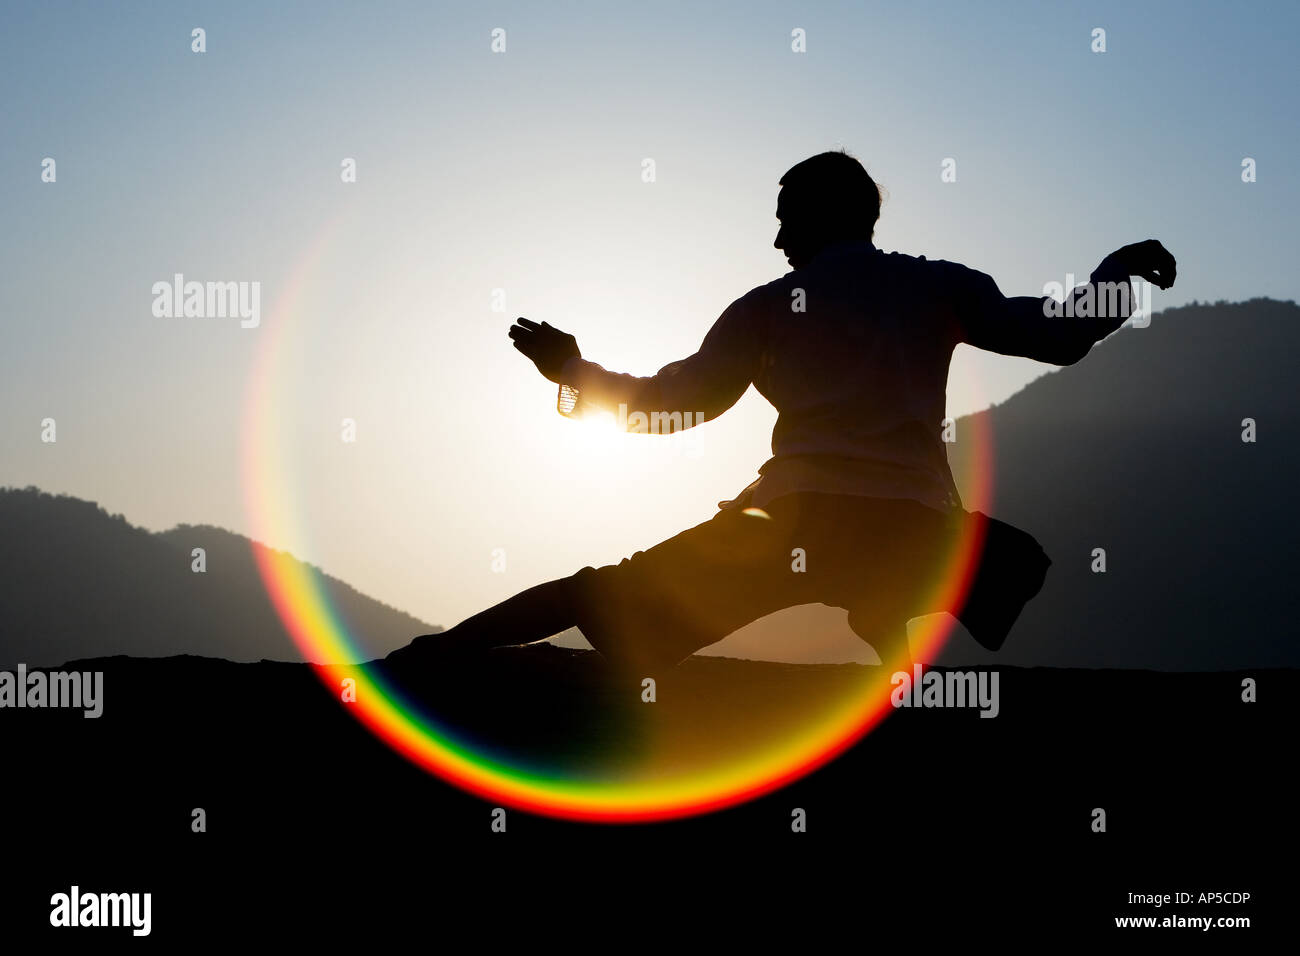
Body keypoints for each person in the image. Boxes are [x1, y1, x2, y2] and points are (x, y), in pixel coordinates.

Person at [387, 150, 1176, 677]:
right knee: (944, 572)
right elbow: (1059, 337)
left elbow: (679, 407)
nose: (774, 238)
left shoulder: (767, 308)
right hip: (914, 533)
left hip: (793, 522)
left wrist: (576, 374)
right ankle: (882, 613)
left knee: (596, 596)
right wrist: (1120, 270)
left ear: (813, 216)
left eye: (783, 216)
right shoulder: (941, 286)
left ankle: (421, 661)